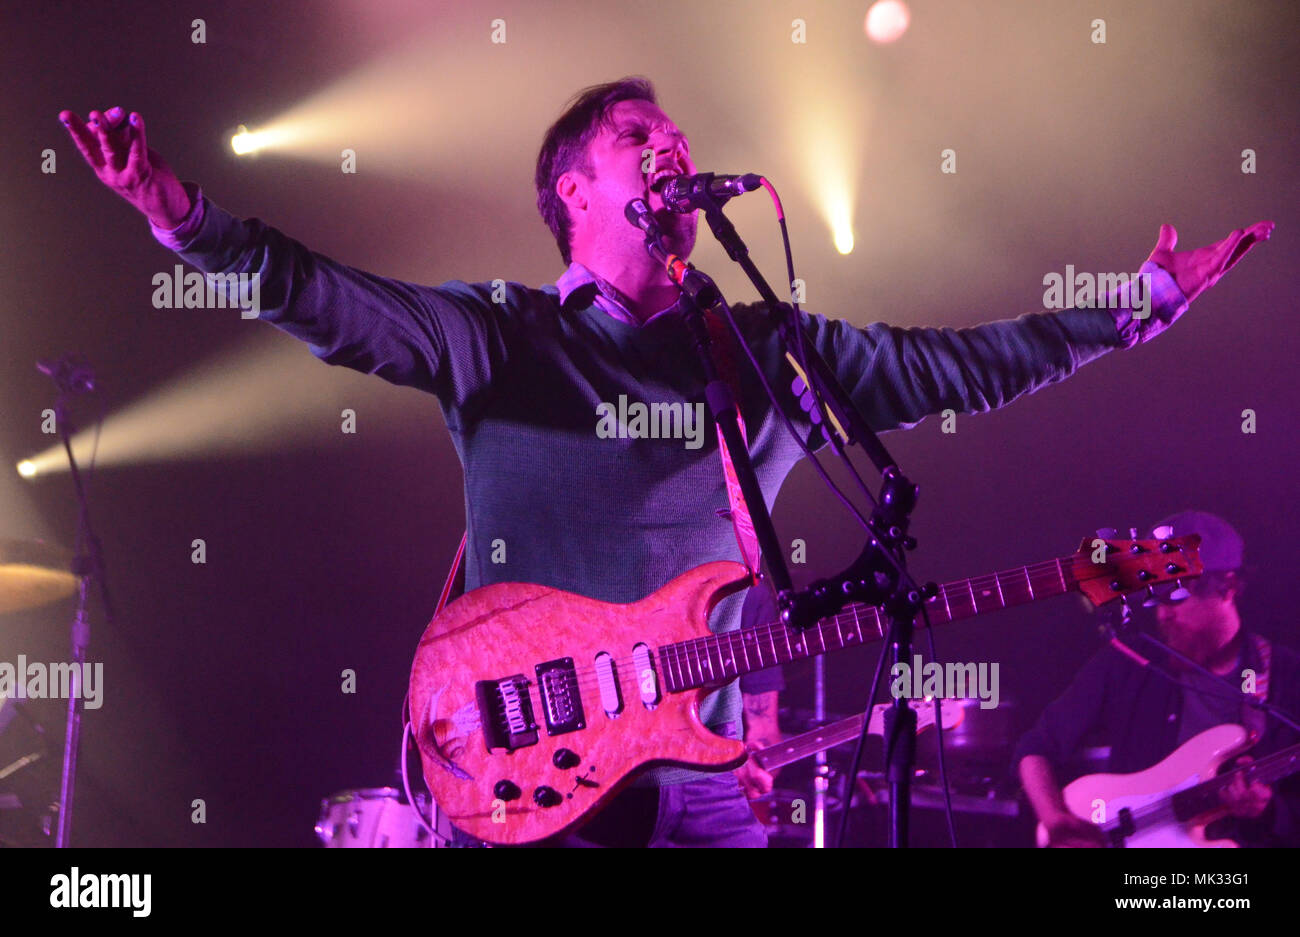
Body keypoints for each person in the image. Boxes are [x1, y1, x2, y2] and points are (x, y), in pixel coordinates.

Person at [59, 77, 1272, 847]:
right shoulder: (504, 335)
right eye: (638, 134)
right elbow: (336, 305)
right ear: (571, 190)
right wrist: (185, 218)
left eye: (677, 135)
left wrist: (1137, 304)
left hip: (707, 767)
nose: (670, 145)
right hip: (533, 768)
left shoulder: (767, 350)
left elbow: (960, 365)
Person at [1016, 511, 1300, 847]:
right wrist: (1056, 820)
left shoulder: (1285, 676)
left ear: (1227, 588)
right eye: (1155, 595)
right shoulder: (1130, 659)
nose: (1162, 612)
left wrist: (1266, 809)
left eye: (1177, 596)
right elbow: (1035, 747)